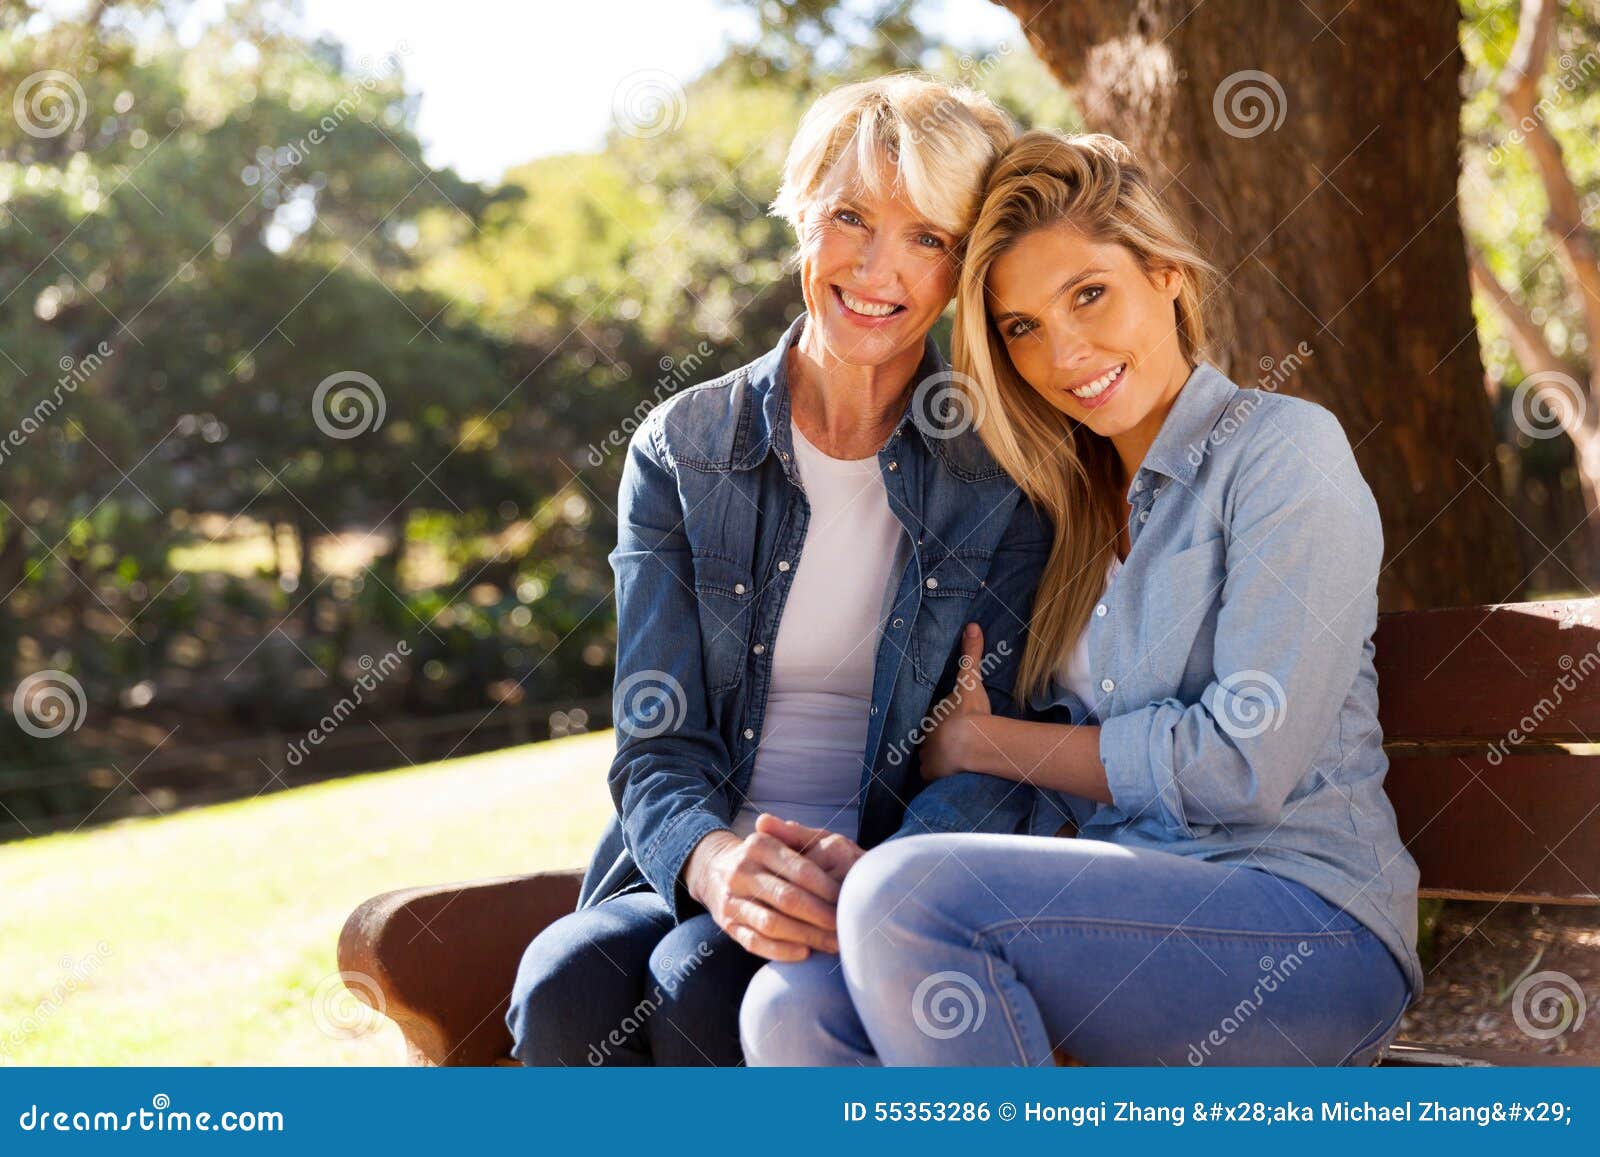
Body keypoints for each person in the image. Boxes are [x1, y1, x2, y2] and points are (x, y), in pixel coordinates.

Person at [741, 129, 1422, 1067]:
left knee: (904, 900)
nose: (1065, 352)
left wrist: (983, 743)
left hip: (1305, 921)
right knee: (792, 1004)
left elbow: (1242, 765)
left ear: (1166, 273)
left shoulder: (1280, 452)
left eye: (1089, 294)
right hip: (1114, 913)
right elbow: (1047, 802)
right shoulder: (1061, 513)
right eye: (1022, 326)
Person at [507, 76, 1061, 1067]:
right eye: (850, 215)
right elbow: (654, 740)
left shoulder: (1001, 473)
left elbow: (997, 761)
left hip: (891, 878)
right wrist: (717, 863)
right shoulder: (685, 446)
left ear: (962, 270)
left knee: (698, 990)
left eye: (926, 237)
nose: (875, 266)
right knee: (563, 985)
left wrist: (872, 882)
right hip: (688, 868)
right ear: (802, 214)